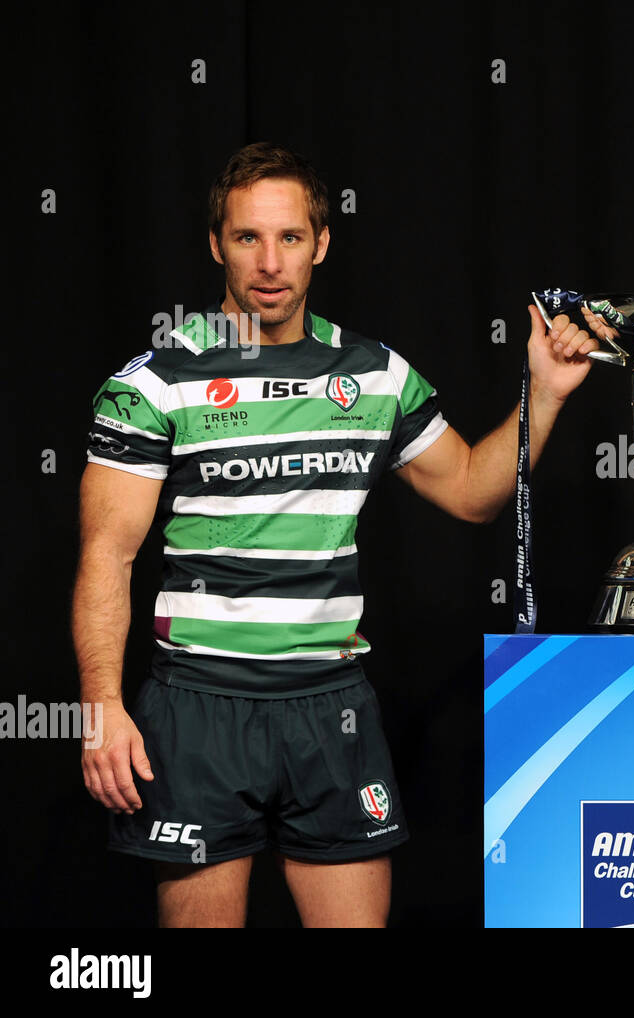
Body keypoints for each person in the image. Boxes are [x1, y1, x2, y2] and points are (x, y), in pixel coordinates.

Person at [73, 142, 596, 927]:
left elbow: (469, 493)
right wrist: (100, 706)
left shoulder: (375, 375)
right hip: (200, 712)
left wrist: (545, 396)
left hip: (332, 711)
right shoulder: (153, 383)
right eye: (247, 237)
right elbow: (105, 555)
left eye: (290, 238)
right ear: (216, 244)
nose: (269, 262)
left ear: (321, 243)